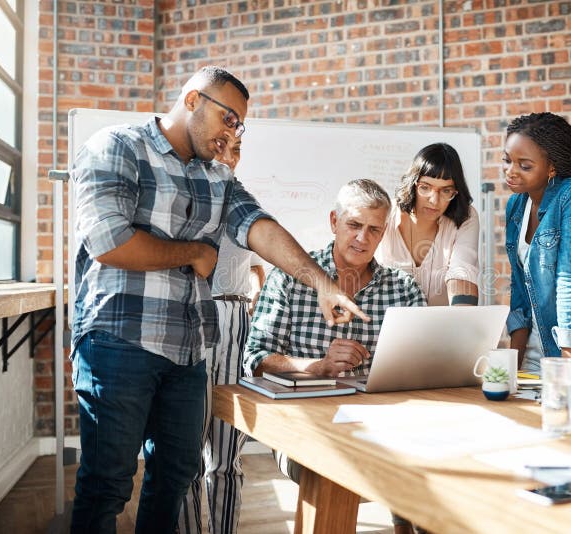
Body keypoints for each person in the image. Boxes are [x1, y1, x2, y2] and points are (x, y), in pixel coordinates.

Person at [70, 66, 367, 534]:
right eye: (229, 119)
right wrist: (194, 252)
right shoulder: (118, 146)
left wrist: (323, 283)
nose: (233, 132)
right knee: (106, 485)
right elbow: (109, 242)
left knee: (174, 479)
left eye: (240, 125)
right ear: (192, 101)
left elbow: (258, 226)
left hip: (187, 354)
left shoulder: (217, 177)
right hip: (117, 343)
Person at [243, 179, 426, 534]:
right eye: (354, 225)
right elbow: (255, 356)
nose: (362, 238)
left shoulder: (402, 289)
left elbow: (424, 364)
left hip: (386, 425)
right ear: (333, 222)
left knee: (430, 465)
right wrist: (316, 367)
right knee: (335, 466)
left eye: (374, 230)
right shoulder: (291, 278)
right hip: (308, 429)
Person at [178, 135, 264, 534]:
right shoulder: (184, 200)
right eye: (221, 148)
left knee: (228, 456)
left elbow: (258, 263)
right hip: (192, 318)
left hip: (236, 319)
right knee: (187, 454)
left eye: (237, 151)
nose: (229, 159)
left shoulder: (244, 202)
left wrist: (254, 287)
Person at [502, 112, 571, 381]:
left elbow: (570, 279)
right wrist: (511, 365)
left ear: (551, 167)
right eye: (507, 160)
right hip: (534, 355)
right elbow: (519, 290)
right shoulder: (516, 205)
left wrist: (568, 362)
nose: (510, 171)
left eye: (525, 165)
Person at [376, 142, 479, 306]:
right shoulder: (386, 213)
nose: (434, 200)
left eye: (446, 191)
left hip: (443, 325)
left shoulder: (465, 217)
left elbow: (462, 274)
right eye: (425, 187)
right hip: (389, 324)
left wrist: (462, 320)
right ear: (413, 184)